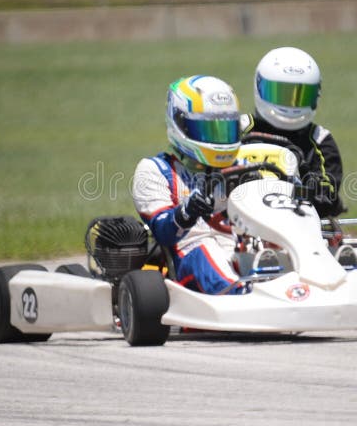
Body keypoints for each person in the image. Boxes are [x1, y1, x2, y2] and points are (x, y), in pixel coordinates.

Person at [132, 75, 244, 295]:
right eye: (209, 130)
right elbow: (163, 232)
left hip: (240, 248)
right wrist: (186, 211)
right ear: (181, 125)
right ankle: (240, 294)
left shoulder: (243, 167)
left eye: (224, 130)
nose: (219, 140)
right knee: (206, 249)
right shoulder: (155, 170)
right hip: (190, 255)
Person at [241, 46, 345, 217]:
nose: (289, 105)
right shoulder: (240, 129)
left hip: (297, 221)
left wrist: (301, 184)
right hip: (242, 217)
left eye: (300, 96)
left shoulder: (320, 140)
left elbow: (327, 196)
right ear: (260, 87)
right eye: (280, 93)